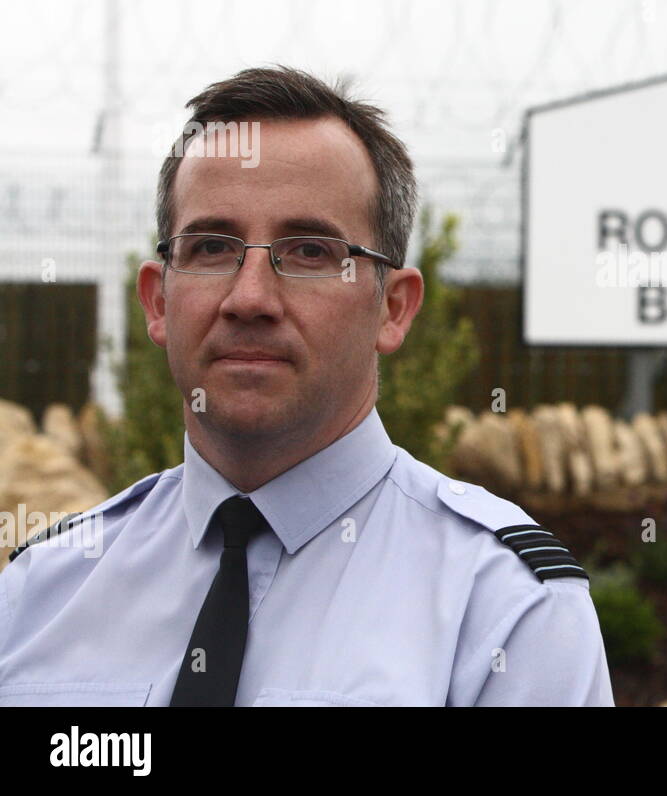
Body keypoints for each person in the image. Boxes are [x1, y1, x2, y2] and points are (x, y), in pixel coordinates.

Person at [0, 66, 614, 706]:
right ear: (157, 301)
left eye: (310, 252)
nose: (250, 298)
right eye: (212, 247)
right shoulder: (41, 592)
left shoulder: (504, 614)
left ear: (393, 309)